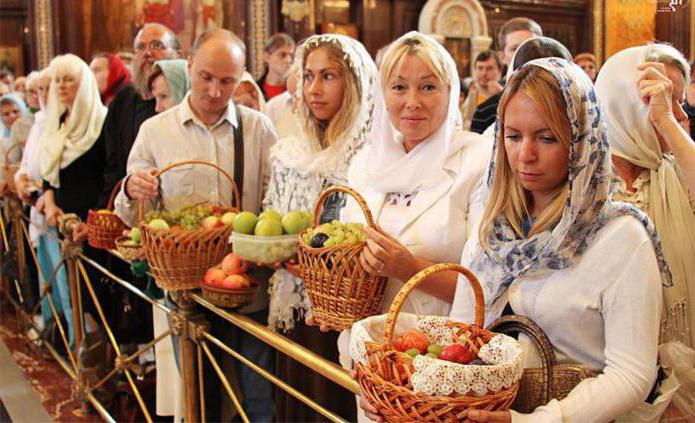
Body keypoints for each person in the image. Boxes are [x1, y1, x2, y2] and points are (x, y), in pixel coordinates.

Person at [360, 58, 671, 422]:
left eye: (546, 137)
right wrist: (401, 392)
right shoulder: (493, 231)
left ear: (581, 141)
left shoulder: (620, 237)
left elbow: (631, 374)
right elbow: (460, 338)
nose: (526, 154)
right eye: (513, 136)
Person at [115, 28, 277, 422]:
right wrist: (132, 189)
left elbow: (276, 201)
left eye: (227, 81)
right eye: (206, 77)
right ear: (188, 67)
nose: (216, 91)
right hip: (187, 293)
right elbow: (129, 214)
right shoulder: (155, 131)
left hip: (247, 288)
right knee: (200, 395)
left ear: (242, 78)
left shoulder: (258, 129)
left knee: (260, 396)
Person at [263, 33, 377, 422]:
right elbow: (274, 220)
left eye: (328, 76)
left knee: (332, 406)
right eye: (308, 76)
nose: (314, 88)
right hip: (296, 308)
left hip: (343, 314)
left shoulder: (370, 157)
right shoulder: (290, 153)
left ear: (355, 82)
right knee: (296, 403)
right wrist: (277, 251)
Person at [596, 45, 695, 349]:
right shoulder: (588, 180)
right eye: (661, 101)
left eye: (679, 102)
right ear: (623, 103)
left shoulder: (676, 168)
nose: (679, 115)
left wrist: (665, 120)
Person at [37, 54, 107, 346]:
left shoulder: (100, 121)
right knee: (69, 291)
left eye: (69, 79)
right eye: (57, 80)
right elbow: (48, 174)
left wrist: (95, 219)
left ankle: (99, 355)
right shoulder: (59, 122)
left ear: (85, 83)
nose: (61, 86)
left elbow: (108, 173)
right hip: (61, 221)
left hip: (92, 224)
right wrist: (50, 204)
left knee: (94, 294)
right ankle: (80, 349)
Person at [97, 22, 181, 209]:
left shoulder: (185, 101)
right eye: (141, 47)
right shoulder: (122, 101)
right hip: (131, 208)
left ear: (178, 55)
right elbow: (111, 164)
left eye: (156, 45)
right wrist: (107, 212)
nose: (147, 53)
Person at [468, 17, 543, 135]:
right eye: (515, 48)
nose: (524, 53)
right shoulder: (485, 111)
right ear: (502, 56)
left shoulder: (562, 102)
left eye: (531, 46)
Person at [460, 50, 503, 132]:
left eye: (489, 68)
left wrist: (500, 95)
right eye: (480, 68)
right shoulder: (466, 94)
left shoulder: (506, 94)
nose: (484, 73)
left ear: (499, 70)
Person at [0, 93, 28, 195]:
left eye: (15, 111)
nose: (12, 116)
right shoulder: (2, 139)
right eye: (6, 114)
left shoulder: (32, 131)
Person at [257, 33, 295, 100]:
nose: (288, 60)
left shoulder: (295, 91)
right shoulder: (255, 90)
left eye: (291, 56)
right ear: (267, 57)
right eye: (282, 55)